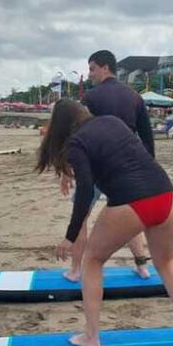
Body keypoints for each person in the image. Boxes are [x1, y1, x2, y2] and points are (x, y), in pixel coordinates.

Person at [38, 99, 173, 346]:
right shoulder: (113, 121)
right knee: (167, 262)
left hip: (132, 203)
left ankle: (91, 337)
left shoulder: (76, 143)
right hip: (165, 194)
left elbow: (85, 190)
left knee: (92, 260)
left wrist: (70, 236)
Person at [60, 50, 154, 282]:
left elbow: (76, 133)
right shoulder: (135, 97)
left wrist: (67, 168)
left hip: (95, 167)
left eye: (92, 69)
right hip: (127, 169)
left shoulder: (91, 97)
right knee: (131, 218)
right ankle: (142, 267)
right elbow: (147, 138)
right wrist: (146, 169)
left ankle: (76, 270)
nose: (90, 74)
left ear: (105, 67)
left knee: (82, 216)